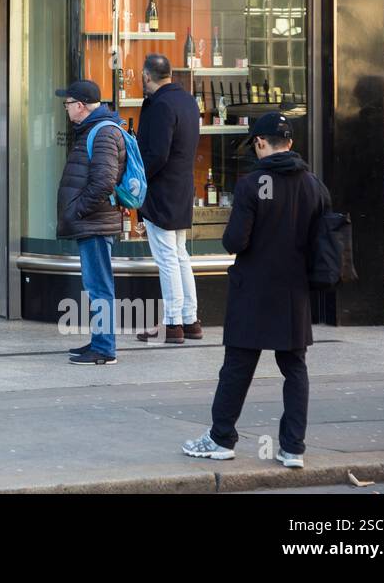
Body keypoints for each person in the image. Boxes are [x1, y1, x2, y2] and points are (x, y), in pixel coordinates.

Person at [182, 112, 328, 468]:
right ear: (290, 143)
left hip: (253, 291)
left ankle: (221, 438)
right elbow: (322, 243)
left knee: (237, 366)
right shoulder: (314, 186)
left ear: (261, 143)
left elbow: (234, 241)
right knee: (294, 367)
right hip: (293, 292)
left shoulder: (252, 184)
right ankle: (293, 448)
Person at [55, 79, 127, 366]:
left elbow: (104, 182)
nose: (66, 108)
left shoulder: (102, 133)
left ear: (80, 106)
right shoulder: (95, 129)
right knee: (95, 284)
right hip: (93, 221)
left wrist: (77, 211)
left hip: (95, 222)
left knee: (99, 286)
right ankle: (100, 340)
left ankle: (105, 349)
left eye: (68, 103)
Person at [134, 53, 201, 344]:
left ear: (147, 76)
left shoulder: (160, 105)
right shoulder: (188, 101)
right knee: (180, 255)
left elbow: (157, 153)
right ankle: (191, 320)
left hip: (162, 191)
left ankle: (173, 323)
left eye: (142, 77)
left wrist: (136, 179)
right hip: (182, 188)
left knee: (167, 258)